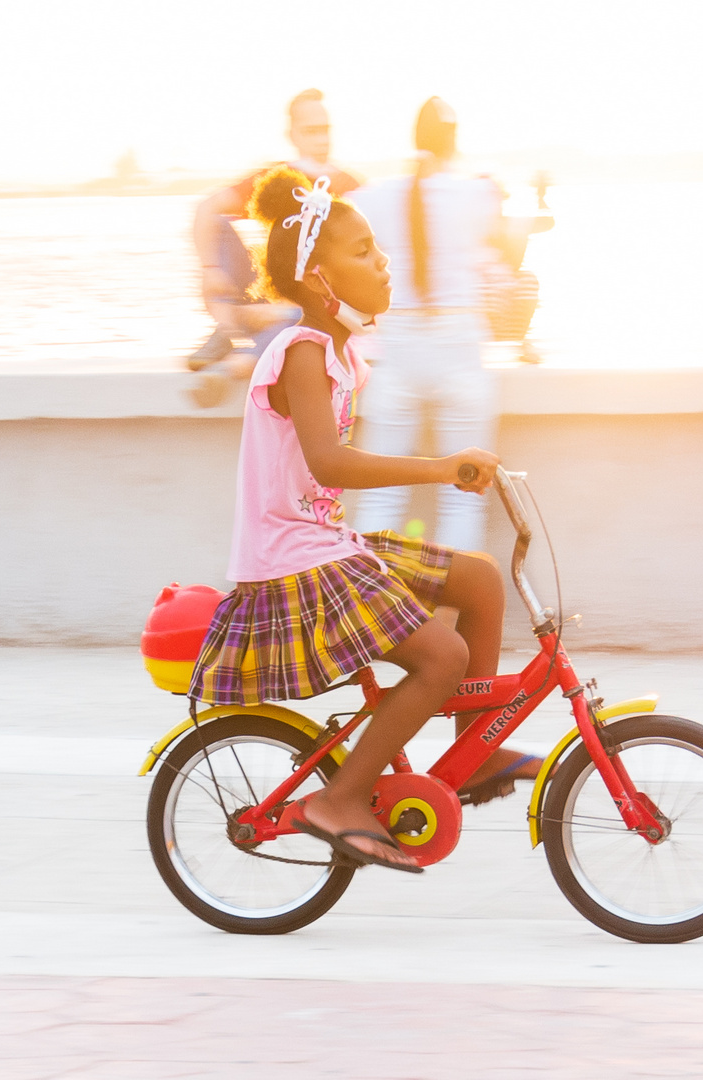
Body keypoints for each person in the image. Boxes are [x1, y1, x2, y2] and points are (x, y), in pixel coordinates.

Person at [186, 166, 537, 872]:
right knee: (442, 657)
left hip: (323, 543)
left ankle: (478, 746)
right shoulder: (301, 352)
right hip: (288, 562)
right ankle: (339, 800)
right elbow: (330, 463)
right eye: (365, 255)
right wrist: (440, 468)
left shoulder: (343, 352)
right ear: (320, 278)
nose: (382, 265)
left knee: (480, 581)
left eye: (380, 251)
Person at [349, 98, 513, 551]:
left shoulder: (375, 196)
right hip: (459, 351)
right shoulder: (478, 193)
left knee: (381, 498)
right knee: (464, 500)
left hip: (397, 354)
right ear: (454, 141)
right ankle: (453, 614)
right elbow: (509, 251)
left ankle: (373, 608)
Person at [186, 89, 362, 408]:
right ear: (292, 134)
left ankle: (230, 368)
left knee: (301, 318)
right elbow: (205, 210)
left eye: (326, 129)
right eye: (311, 130)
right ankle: (228, 327)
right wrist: (210, 270)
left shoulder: (350, 187)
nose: (321, 138)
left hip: (310, 302)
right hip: (266, 288)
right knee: (219, 226)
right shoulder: (275, 177)